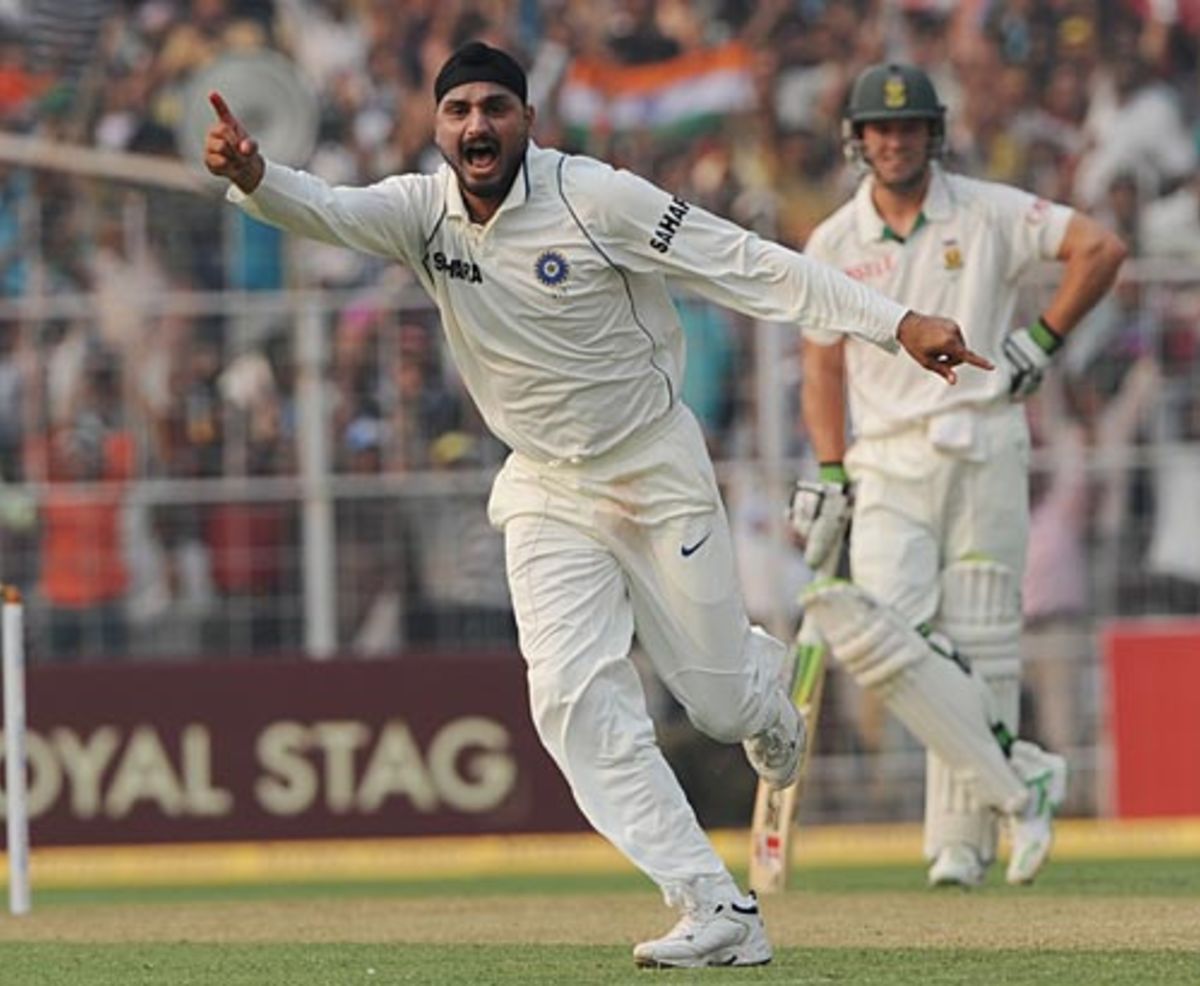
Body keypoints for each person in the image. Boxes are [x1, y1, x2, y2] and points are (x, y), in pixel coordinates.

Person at [205, 40, 989, 969]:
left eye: (495, 107)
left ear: (529, 121)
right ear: (437, 124)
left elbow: (746, 265)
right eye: (457, 111)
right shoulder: (421, 211)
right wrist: (257, 178)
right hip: (544, 485)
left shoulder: (597, 197)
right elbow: (328, 211)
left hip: (654, 468)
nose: (475, 126)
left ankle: (766, 705)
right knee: (572, 701)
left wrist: (895, 323)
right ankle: (714, 904)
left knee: (717, 705)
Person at [797, 63, 1126, 890]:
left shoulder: (985, 210)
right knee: (887, 642)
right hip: (887, 460)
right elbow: (822, 370)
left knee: (983, 646)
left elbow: (1100, 247)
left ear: (932, 133)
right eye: (880, 128)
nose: (895, 140)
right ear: (858, 139)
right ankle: (1021, 782)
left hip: (984, 442)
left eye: (909, 127)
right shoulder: (834, 243)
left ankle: (959, 844)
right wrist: (831, 471)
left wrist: (1040, 343)